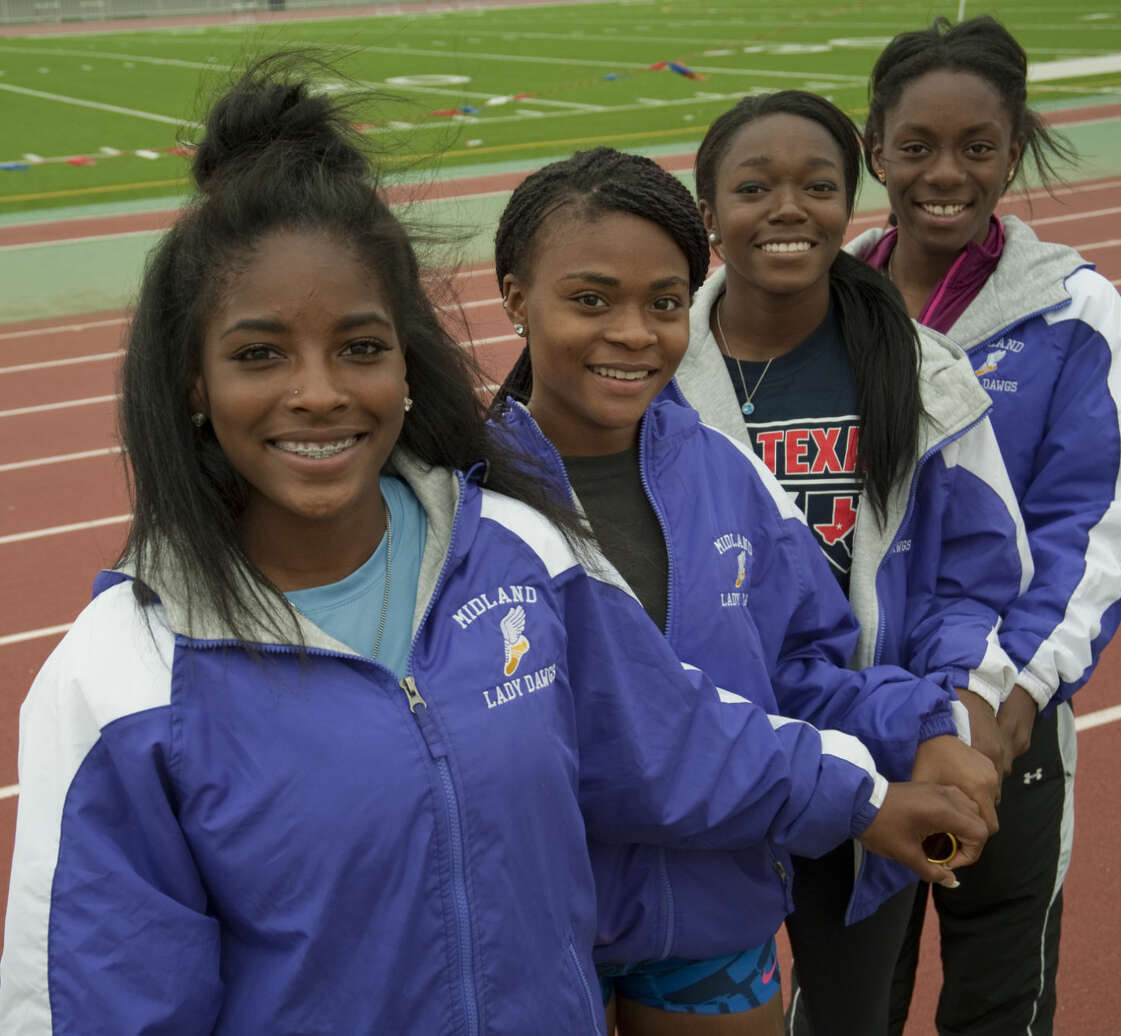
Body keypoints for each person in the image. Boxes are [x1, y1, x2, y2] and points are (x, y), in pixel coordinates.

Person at [0, 62, 992, 1035]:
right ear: (191, 382)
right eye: (260, 353)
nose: (318, 391)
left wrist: (866, 791)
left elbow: (670, 733)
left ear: (405, 362)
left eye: (359, 346)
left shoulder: (520, 551)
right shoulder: (124, 673)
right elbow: (99, 996)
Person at [488, 146, 1003, 1036]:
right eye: (589, 299)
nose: (634, 332)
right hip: (528, 931)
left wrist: (926, 730)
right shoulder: (460, 499)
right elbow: (624, 741)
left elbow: (796, 669)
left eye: (663, 302)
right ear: (513, 299)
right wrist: (864, 800)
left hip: (708, 918)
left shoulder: (726, 473)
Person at [672, 91, 1034, 1035]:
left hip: (874, 751)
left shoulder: (920, 371)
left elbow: (977, 571)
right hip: (712, 757)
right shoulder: (654, 377)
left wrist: (945, 707)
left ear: (850, 201)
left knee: (849, 1013)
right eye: (755, 187)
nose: (788, 208)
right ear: (708, 212)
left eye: (818, 185)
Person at [847, 16, 1121, 1034]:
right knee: (844, 999)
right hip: (857, 719)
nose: (946, 173)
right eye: (917, 146)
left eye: (977, 147)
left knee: (1001, 1000)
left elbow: (1101, 517)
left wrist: (1011, 690)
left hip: (1007, 729)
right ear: (875, 150)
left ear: (1012, 151)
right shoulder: (821, 302)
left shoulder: (1074, 312)